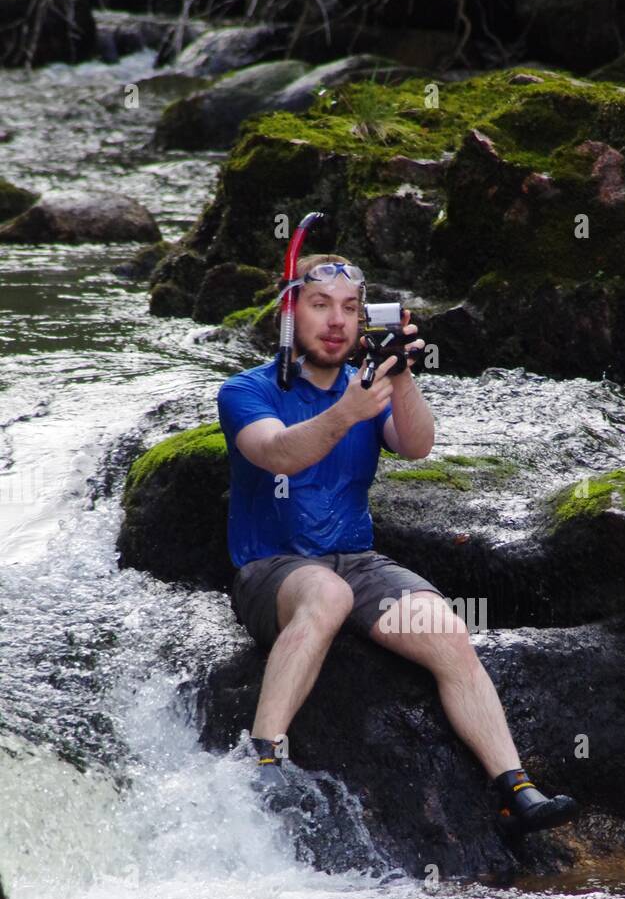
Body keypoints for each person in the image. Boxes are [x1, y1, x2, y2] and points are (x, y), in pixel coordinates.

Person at [216, 252, 577, 836]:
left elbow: (416, 445)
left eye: (350, 310)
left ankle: (515, 790)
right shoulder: (245, 391)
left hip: (358, 562)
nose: (336, 321)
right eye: (320, 306)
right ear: (291, 312)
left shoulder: (369, 385)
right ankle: (265, 757)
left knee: (447, 630)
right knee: (325, 596)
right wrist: (346, 411)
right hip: (271, 569)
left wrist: (400, 375)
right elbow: (279, 452)